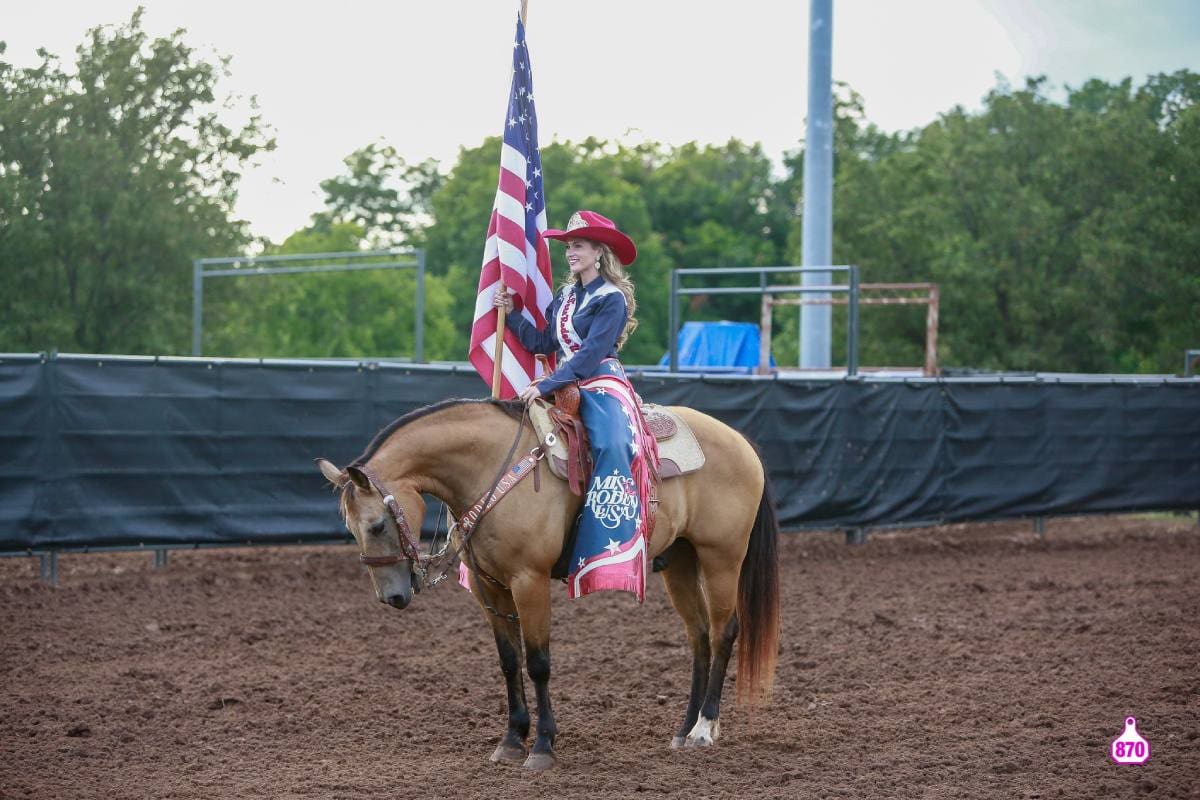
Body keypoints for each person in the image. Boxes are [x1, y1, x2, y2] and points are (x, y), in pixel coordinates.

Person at [492, 210, 658, 601]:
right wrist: (512, 315)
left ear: (599, 252)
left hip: (601, 382)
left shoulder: (610, 298)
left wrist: (548, 382)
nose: (571, 252)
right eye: (568, 245)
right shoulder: (566, 296)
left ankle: (611, 541)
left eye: (579, 245)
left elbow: (591, 354)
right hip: (563, 382)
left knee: (612, 445)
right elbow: (542, 343)